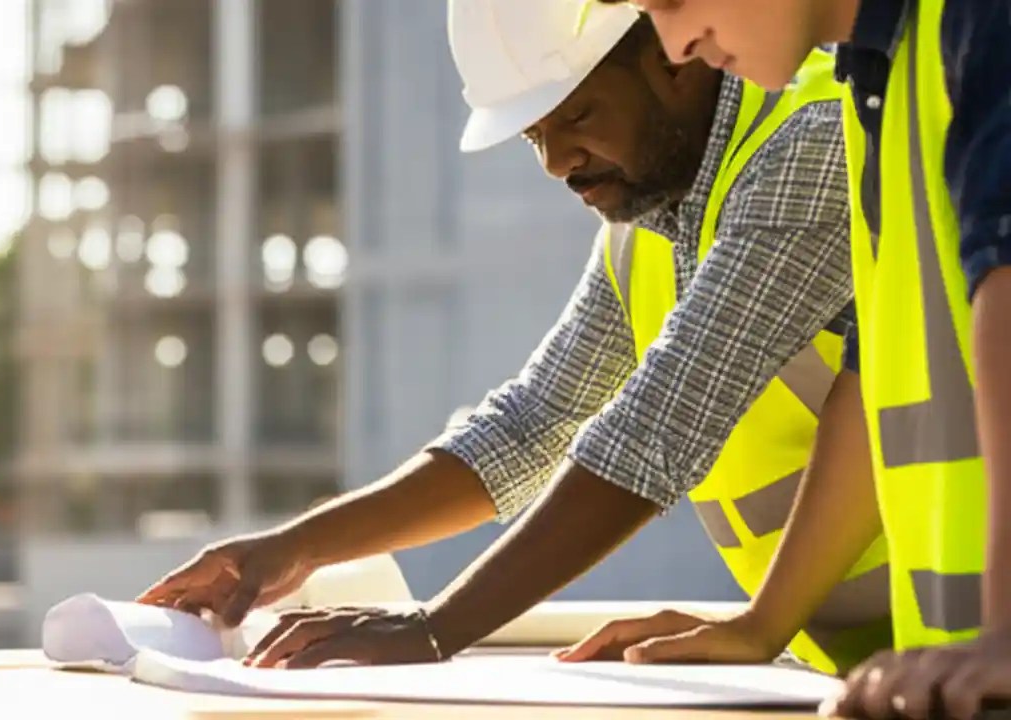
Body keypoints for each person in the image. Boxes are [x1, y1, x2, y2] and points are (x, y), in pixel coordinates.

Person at [138, 0, 883, 676]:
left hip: (966, 652)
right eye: (534, 133)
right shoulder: (650, 228)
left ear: (668, 53)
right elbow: (532, 426)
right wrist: (293, 548)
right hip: (863, 667)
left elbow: (657, 427)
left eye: (578, 115)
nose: (557, 163)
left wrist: (436, 629)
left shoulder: (810, 143)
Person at [585, 1, 1011, 718]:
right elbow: (876, 376)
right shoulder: (881, 79)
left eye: (673, 2)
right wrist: (762, 624)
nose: (678, 44)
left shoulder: (980, 22)